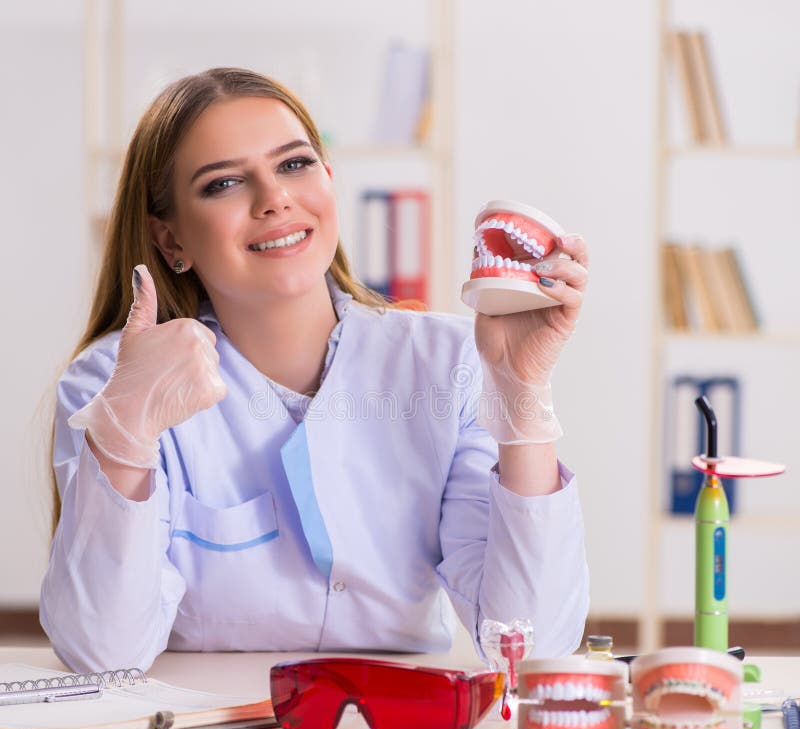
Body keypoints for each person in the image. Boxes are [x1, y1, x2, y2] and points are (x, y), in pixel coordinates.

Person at [40, 67, 590, 673]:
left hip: (396, 724)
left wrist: (521, 394)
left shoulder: (449, 362)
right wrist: (126, 430)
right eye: (224, 183)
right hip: (204, 728)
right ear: (171, 240)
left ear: (328, 180)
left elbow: (532, 647)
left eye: (295, 164)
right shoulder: (113, 383)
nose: (274, 197)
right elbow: (102, 654)